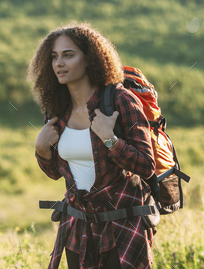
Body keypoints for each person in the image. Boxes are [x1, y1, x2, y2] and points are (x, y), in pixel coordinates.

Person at [27, 21, 156, 269]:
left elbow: (146, 165)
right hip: (78, 225)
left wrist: (111, 140)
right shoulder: (56, 109)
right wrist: (42, 151)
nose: (59, 63)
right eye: (54, 57)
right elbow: (57, 174)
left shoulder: (119, 100)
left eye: (68, 55)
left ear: (89, 59)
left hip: (123, 222)